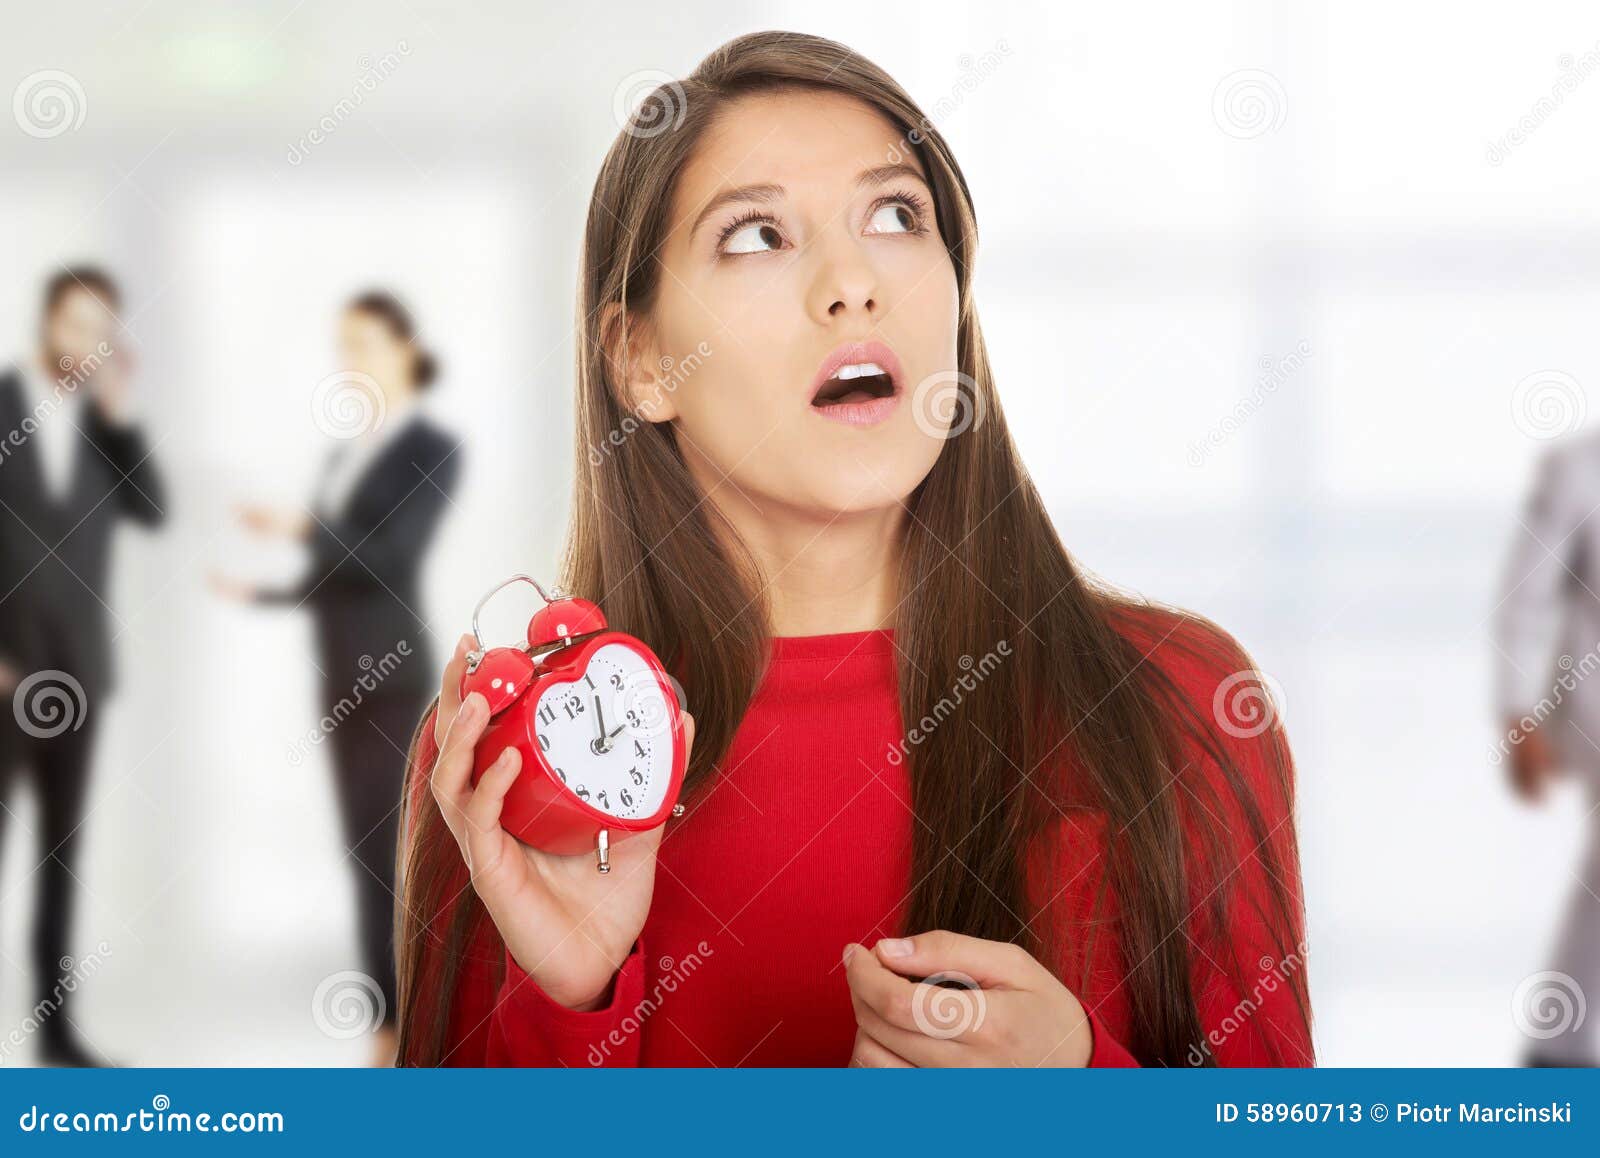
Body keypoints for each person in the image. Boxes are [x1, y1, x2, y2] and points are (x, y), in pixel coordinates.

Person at [395, 31, 1312, 1068]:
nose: (851, 283)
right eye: (754, 236)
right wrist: (569, 1002)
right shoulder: (516, 757)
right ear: (640, 361)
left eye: (894, 216)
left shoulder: (1179, 703)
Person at [212, 291, 458, 1066]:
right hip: (338, 677)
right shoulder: (339, 452)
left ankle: (415, 1024)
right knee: (361, 853)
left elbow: (388, 558)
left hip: (387, 678)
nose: (350, 361)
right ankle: (384, 1026)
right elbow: (334, 568)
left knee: (395, 854)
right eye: (343, 346)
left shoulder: (431, 447)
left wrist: (299, 527)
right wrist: (264, 592)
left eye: (365, 344)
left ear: (402, 349)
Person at [0, 266, 166, 1066]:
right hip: (4, 671)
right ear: (48, 321)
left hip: (78, 676)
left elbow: (153, 509)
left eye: (101, 328)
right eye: (75, 323)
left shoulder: (107, 428)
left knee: (60, 855)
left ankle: (56, 1034)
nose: (86, 341)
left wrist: (121, 413)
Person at [1495, 431, 1600, 1066]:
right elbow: (1525, 601)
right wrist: (1519, 715)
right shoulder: (1577, 470)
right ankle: (1557, 1058)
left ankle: (1558, 1052)